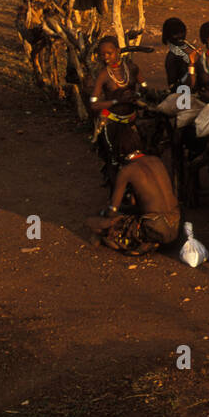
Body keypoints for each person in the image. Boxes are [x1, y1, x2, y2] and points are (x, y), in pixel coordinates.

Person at [84, 125, 182, 255]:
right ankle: (151, 242)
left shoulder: (127, 171)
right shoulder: (156, 160)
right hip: (176, 225)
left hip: (154, 227)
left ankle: (139, 241)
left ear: (119, 148)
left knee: (92, 221)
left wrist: (106, 218)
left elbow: (113, 210)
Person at [88, 36, 146, 166]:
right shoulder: (103, 75)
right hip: (112, 121)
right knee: (114, 160)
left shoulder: (132, 69)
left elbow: (144, 87)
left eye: (109, 53)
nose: (106, 57)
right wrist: (116, 101)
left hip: (132, 119)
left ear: (118, 51)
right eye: (102, 55)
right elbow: (94, 104)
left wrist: (137, 95)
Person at [162, 17, 197, 94]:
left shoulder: (191, 50)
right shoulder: (172, 57)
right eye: (175, 34)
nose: (179, 36)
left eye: (181, 32)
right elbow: (173, 86)